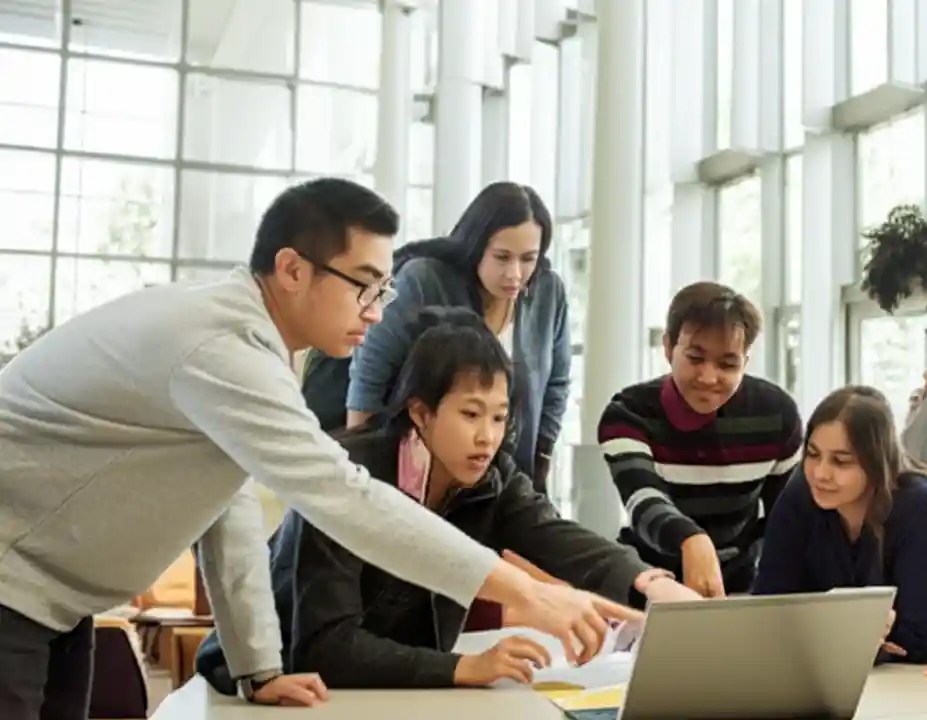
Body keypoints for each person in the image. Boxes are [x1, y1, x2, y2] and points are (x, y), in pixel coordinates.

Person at [0, 178, 636, 719]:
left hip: (58, 597)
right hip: (13, 582)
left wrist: (257, 669)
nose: (376, 310)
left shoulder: (256, 350)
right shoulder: (220, 347)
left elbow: (224, 510)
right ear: (293, 269)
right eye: (364, 285)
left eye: (383, 289)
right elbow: (341, 495)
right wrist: (524, 591)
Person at [195, 308, 700, 692]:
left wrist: (649, 584)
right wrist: (463, 667)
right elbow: (325, 646)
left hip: (390, 694)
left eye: (499, 418)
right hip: (268, 688)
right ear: (420, 412)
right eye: (471, 414)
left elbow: (559, 537)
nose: (488, 437)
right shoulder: (344, 475)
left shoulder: (490, 478)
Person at [322, 182, 569, 490]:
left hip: (504, 479)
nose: (515, 274)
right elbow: (369, 382)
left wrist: (541, 459)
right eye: (502, 257)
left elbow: (555, 386)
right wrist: (360, 475)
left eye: (528, 259)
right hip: (415, 476)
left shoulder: (548, 293)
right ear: (477, 245)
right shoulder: (422, 281)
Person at [599, 282, 804, 598]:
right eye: (695, 358)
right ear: (668, 348)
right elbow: (643, 500)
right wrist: (692, 540)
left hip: (739, 591)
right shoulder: (628, 413)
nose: (709, 377)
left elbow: (787, 517)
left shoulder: (777, 415)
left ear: (745, 362)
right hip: (650, 586)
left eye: (727, 364)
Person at [753, 386, 927, 665]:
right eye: (813, 454)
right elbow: (768, 609)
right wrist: (851, 633)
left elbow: (925, 638)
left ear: (877, 462)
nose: (820, 473)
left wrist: (826, 633)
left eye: (841, 462)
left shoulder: (922, 507)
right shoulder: (801, 492)